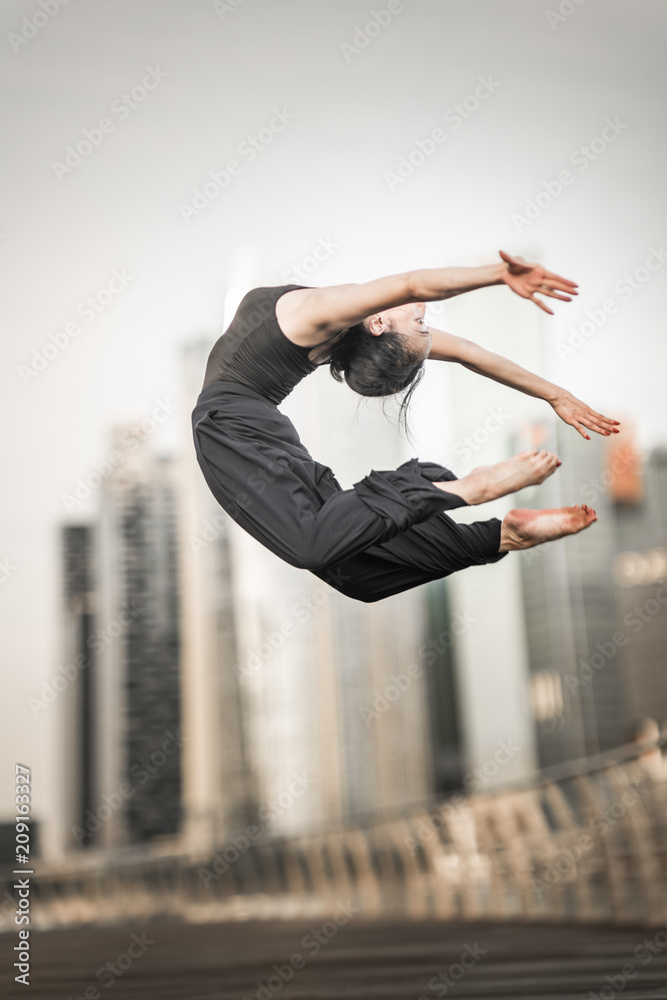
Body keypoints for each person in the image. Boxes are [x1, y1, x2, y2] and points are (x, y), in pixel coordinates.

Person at [191, 250, 619, 603]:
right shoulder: (324, 314)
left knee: (350, 563)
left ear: (379, 324)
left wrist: (555, 394)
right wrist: (498, 274)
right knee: (321, 547)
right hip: (240, 424)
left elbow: (471, 351)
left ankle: (502, 534)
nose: (424, 312)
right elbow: (414, 285)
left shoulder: (346, 323)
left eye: (420, 322)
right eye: (421, 321)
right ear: (377, 322)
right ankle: (463, 492)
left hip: (241, 427)